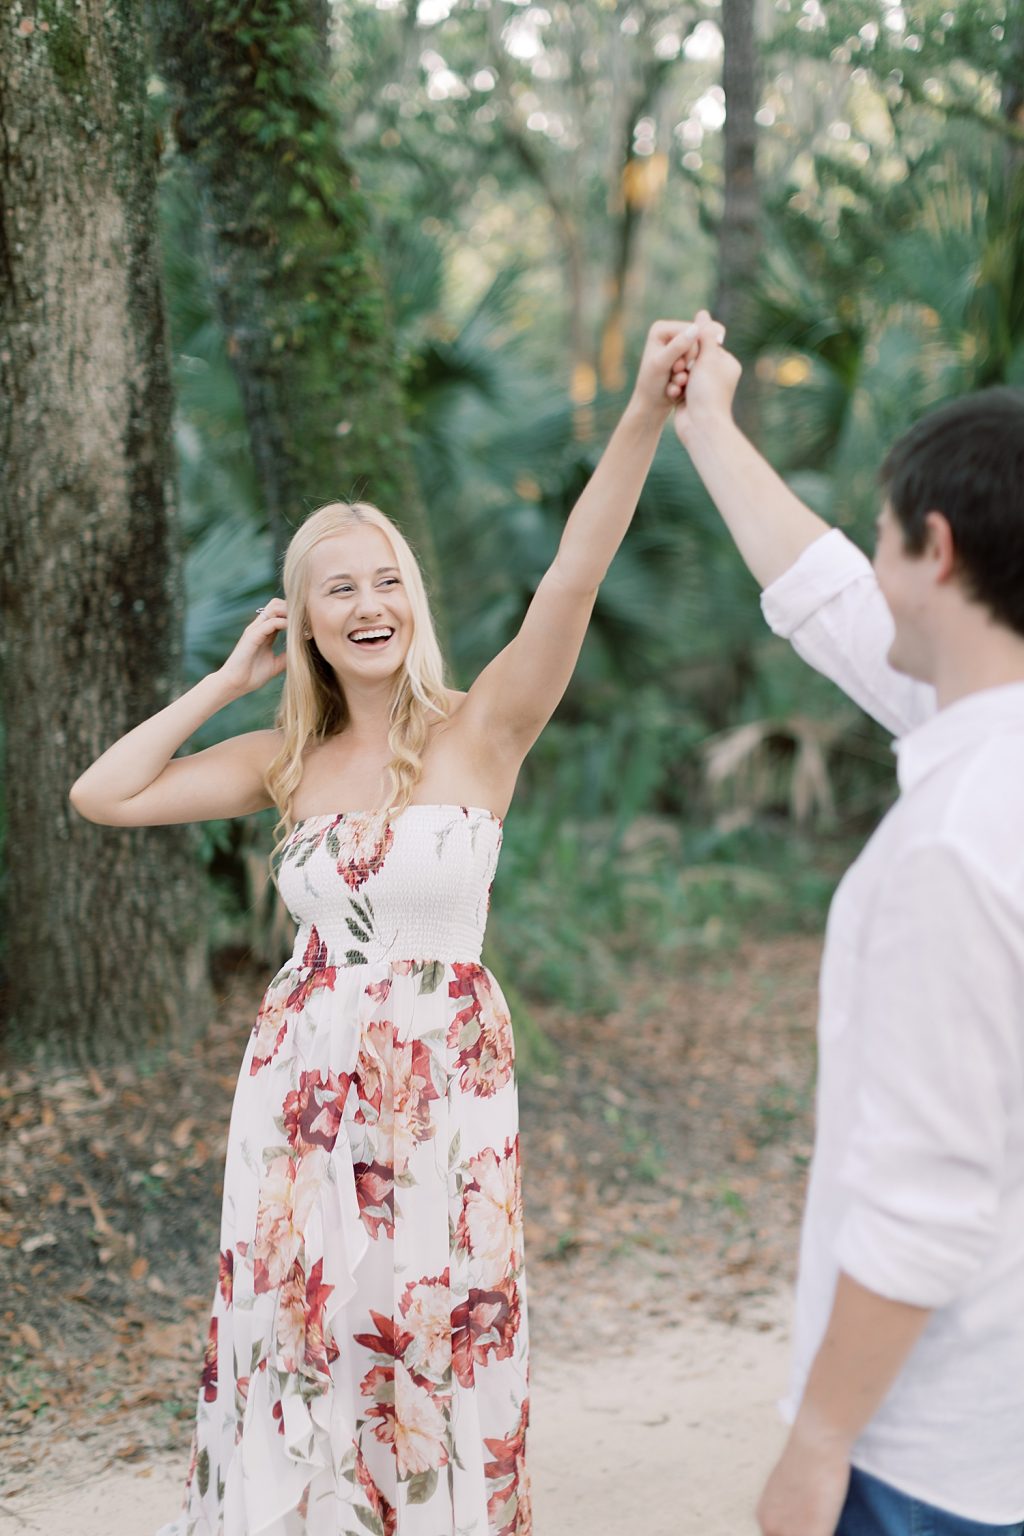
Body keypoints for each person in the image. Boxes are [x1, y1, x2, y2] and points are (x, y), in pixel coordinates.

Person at [68, 318, 702, 1536]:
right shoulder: (283, 759)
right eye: (338, 588)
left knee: (425, 1324)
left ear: (413, 599)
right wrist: (226, 683)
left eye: (386, 580)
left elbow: (572, 574)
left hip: (442, 1085)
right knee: (300, 1329)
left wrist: (640, 413)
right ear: (304, 622)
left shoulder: (485, 726)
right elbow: (105, 794)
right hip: (300, 1089)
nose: (368, 604)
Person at [671, 315, 1024, 1536]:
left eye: (880, 536)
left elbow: (928, 1199)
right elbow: (826, 601)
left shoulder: (953, 843)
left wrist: (818, 1445)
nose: (869, 566)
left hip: (941, 1448)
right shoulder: (984, 736)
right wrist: (707, 426)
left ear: (935, 549)